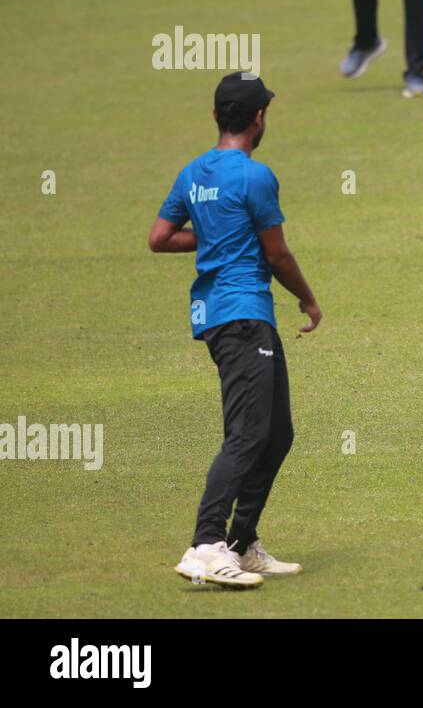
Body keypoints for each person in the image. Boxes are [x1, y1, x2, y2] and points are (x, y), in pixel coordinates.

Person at [150, 72, 322, 588]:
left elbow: (160, 237)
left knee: (277, 433)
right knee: (248, 434)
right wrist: (308, 300)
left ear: (215, 117)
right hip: (243, 314)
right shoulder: (254, 176)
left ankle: (242, 543)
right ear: (259, 118)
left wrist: (211, 239)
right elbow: (277, 253)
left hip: (226, 317)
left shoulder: (192, 172)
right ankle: (206, 545)